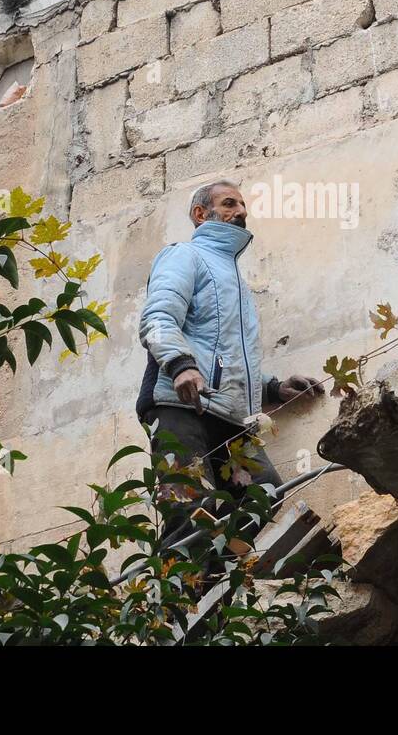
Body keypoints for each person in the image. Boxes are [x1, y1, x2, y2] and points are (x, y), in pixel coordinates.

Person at [137, 179, 323, 544]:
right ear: (200, 213)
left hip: (231, 416)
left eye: (241, 205)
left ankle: (216, 580)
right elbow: (156, 318)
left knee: (264, 492)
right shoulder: (183, 256)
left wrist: (274, 388)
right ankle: (180, 598)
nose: (240, 211)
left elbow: (227, 354)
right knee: (188, 505)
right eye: (228, 204)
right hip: (179, 406)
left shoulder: (234, 279)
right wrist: (180, 365)